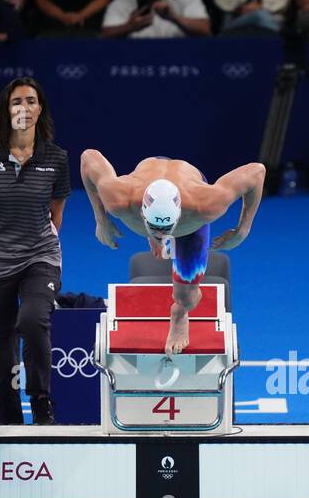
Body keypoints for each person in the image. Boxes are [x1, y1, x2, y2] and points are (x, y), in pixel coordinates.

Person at [80, 152, 264, 355]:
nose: (162, 234)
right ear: (142, 212)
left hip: (189, 199)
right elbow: (88, 157)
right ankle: (157, 234)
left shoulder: (206, 204)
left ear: (178, 215)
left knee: (186, 296)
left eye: (167, 228)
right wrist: (101, 219)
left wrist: (242, 230)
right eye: (155, 229)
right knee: (160, 241)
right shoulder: (118, 198)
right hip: (144, 186)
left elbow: (257, 171)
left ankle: (179, 313)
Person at [0, 78, 70, 425]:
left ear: (40, 109)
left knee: (33, 320)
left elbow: (56, 215)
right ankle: (7, 425)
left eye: (30, 101)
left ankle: (41, 402)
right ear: (6, 110)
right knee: (0, 354)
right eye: (16, 102)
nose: (23, 108)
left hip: (40, 257)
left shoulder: (56, 158)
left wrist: (34, 243)